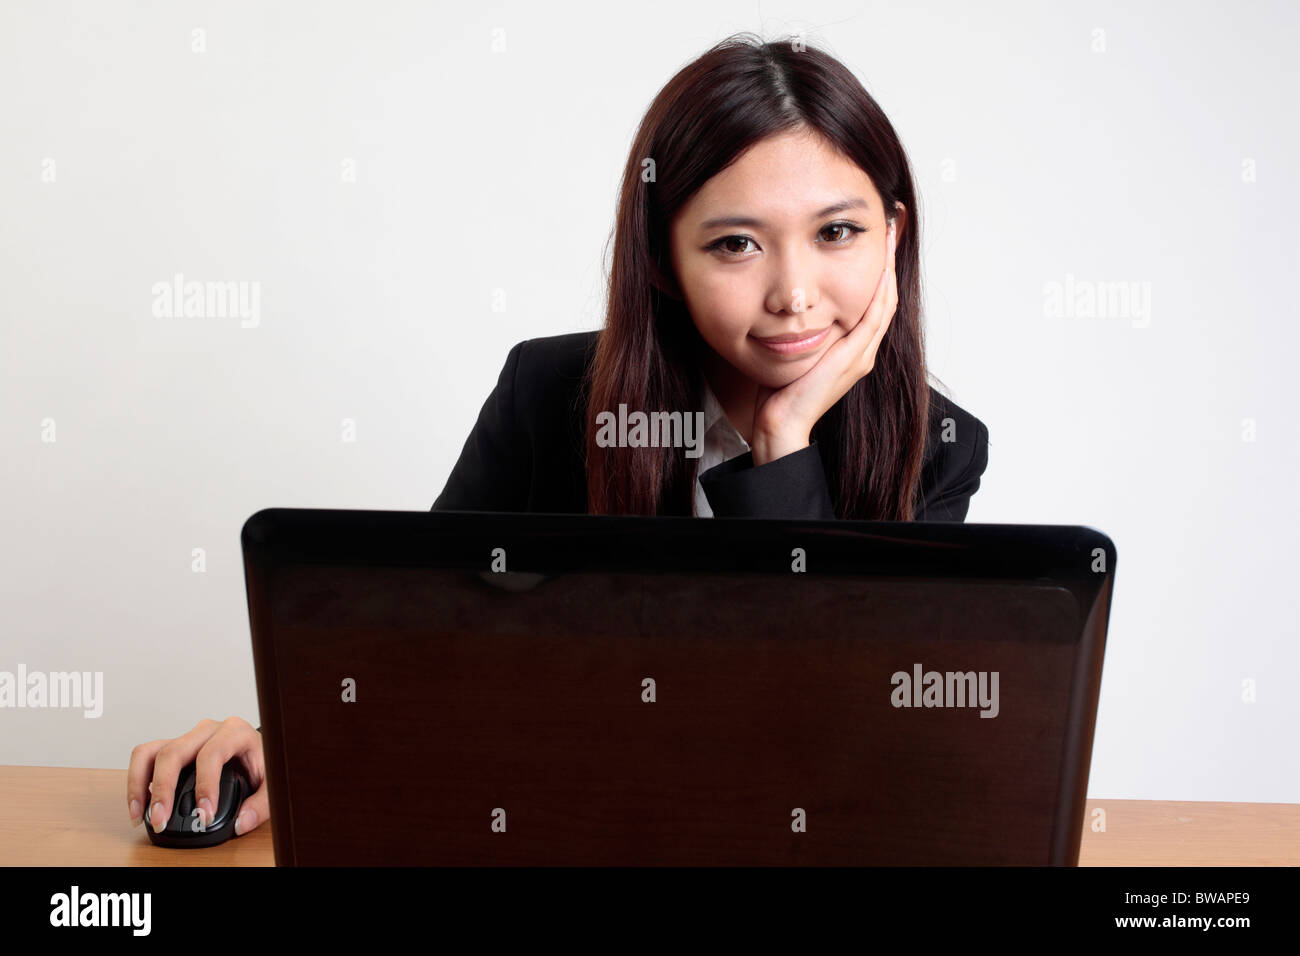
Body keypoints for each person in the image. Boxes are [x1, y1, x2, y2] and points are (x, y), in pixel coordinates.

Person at [127, 33, 990, 838]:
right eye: (735, 244)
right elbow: (414, 650)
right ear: (661, 259)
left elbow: (841, 748)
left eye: (838, 232)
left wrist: (785, 441)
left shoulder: (942, 447)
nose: (794, 293)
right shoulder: (549, 396)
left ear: (894, 235)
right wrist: (282, 739)